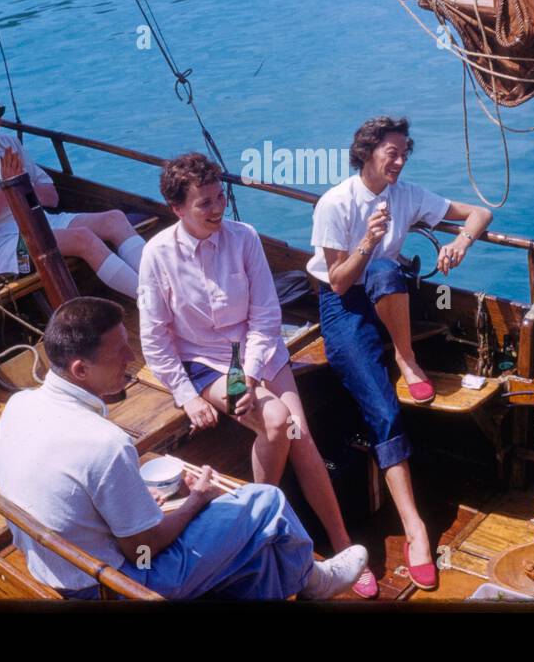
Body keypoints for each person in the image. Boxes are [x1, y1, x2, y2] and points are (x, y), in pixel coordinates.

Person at [0, 296, 369, 600]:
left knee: (256, 556)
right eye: (121, 350)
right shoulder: (105, 444)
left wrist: (135, 510)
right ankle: (313, 581)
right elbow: (143, 551)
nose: (132, 358)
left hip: (52, 567)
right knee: (266, 503)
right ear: (80, 370)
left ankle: (295, 581)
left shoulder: (19, 405)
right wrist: (196, 501)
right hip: (114, 586)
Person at [138, 153, 368, 594]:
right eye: (204, 202)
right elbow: (155, 338)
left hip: (257, 353)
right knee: (280, 420)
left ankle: (340, 543)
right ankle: (261, 531)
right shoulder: (157, 255)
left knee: (300, 435)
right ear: (177, 209)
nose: (217, 208)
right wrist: (185, 394)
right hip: (204, 362)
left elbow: (266, 314)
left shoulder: (243, 238)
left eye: (219, 196)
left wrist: (253, 373)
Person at [307, 116, 492, 589]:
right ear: (367, 152)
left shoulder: (407, 194)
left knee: (390, 273)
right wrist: (368, 240)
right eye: (392, 151)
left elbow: (480, 213)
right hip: (342, 302)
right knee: (384, 414)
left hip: (385, 293)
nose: (400, 159)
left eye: (405, 150)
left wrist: (460, 242)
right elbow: (339, 280)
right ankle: (416, 530)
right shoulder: (336, 203)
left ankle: (407, 358)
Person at [0, 77, 144, 297]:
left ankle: (166, 289)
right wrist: (9, 190)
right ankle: (150, 302)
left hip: (39, 222)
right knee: (82, 237)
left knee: (114, 218)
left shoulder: (8, 144)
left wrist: (21, 186)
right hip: (1, 250)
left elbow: (51, 196)